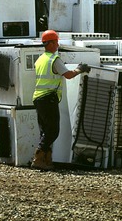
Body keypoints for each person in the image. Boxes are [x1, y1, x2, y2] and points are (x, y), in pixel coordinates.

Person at [31, 29, 90, 170]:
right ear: (50, 43)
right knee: (53, 131)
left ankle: (46, 160)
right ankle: (38, 159)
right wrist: (79, 69)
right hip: (48, 98)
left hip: (38, 98)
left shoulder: (40, 59)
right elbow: (68, 75)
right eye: (56, 42)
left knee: (45, 130)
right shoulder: (54, 59)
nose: (57, 45)